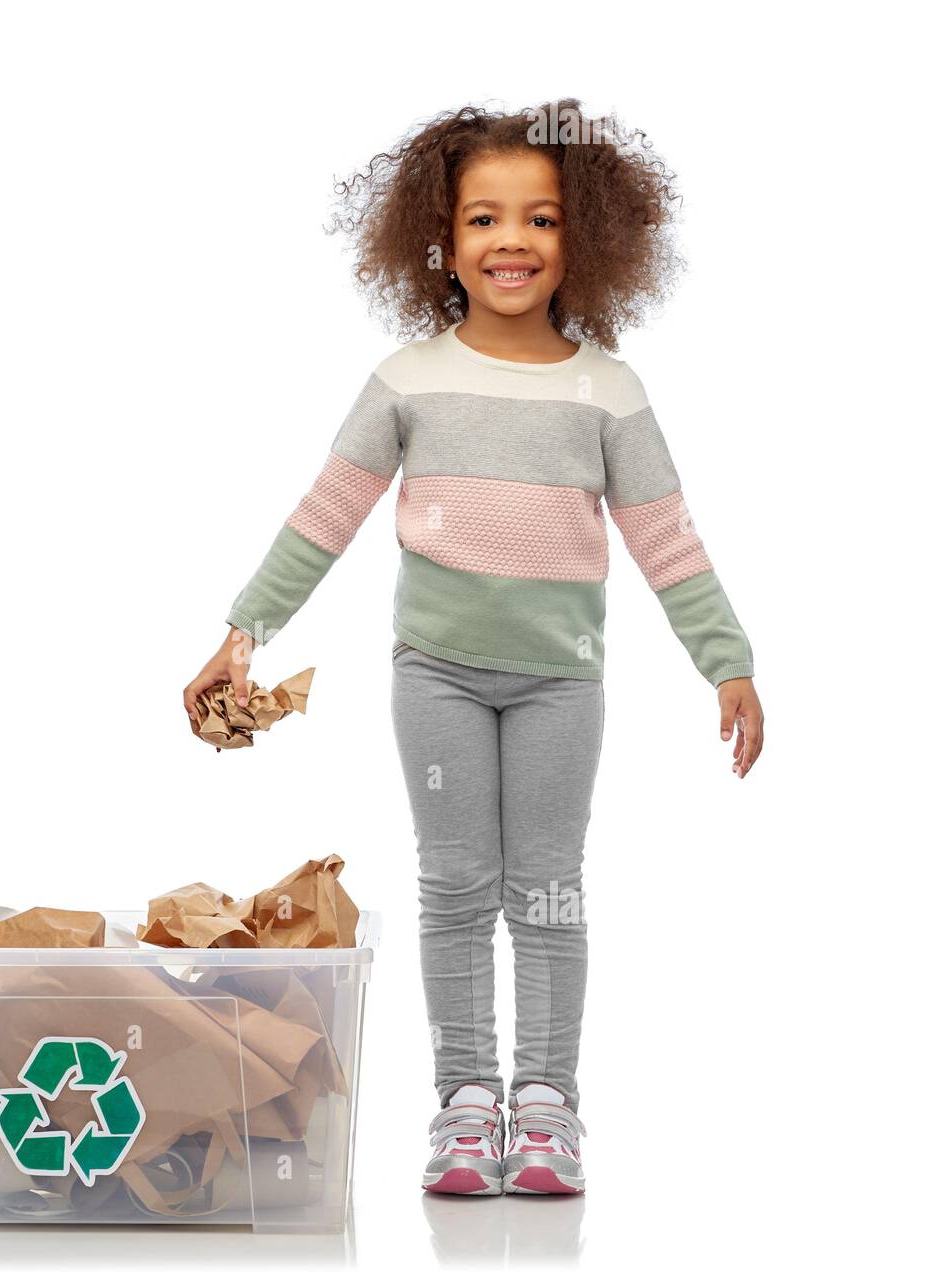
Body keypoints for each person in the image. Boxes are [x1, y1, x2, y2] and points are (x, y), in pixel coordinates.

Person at [183, 101, 763, 1198]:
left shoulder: (609, 392)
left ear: (585, 240)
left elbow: (666, 539)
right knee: (455, 886)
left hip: (560, 686)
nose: (512, 240)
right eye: (483, 217)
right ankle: (463, 1102)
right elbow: (325, 515)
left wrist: (725, 661)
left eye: (541, 218)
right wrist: (243, 632)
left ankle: (545, 1105)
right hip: (436, 677)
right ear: (439, 241)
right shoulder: (407, 381)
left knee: (546, 889)